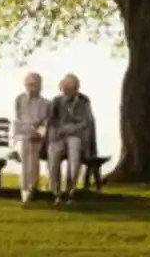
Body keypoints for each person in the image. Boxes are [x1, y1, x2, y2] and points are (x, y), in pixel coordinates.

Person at [48, 73, 94, 204]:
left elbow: (85, 122)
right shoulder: (56, 101)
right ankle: (56, 192)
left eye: (70, 88)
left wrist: (67, 129)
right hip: (59, 137)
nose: (66, 91)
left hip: (76, 136)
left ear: (76, 88)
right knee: (53, 155)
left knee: (74, 158)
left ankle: (70, 191)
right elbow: (50, 121)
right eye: (64, 88)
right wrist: (54, 134)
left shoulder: (84, 102)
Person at [11, 71, 51, 204]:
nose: (32, 88)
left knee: (33, 153)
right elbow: (17, 120)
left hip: (38, 135)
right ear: (25, 85)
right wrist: (22, 134)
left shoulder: (46, 103)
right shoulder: (19, 100)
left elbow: (46, 122)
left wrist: (39, 134)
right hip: (22, 135)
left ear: (41, 86)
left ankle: (31, 187)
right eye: (30, 85)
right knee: (25, 148)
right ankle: (25, 188)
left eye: (35, 85)